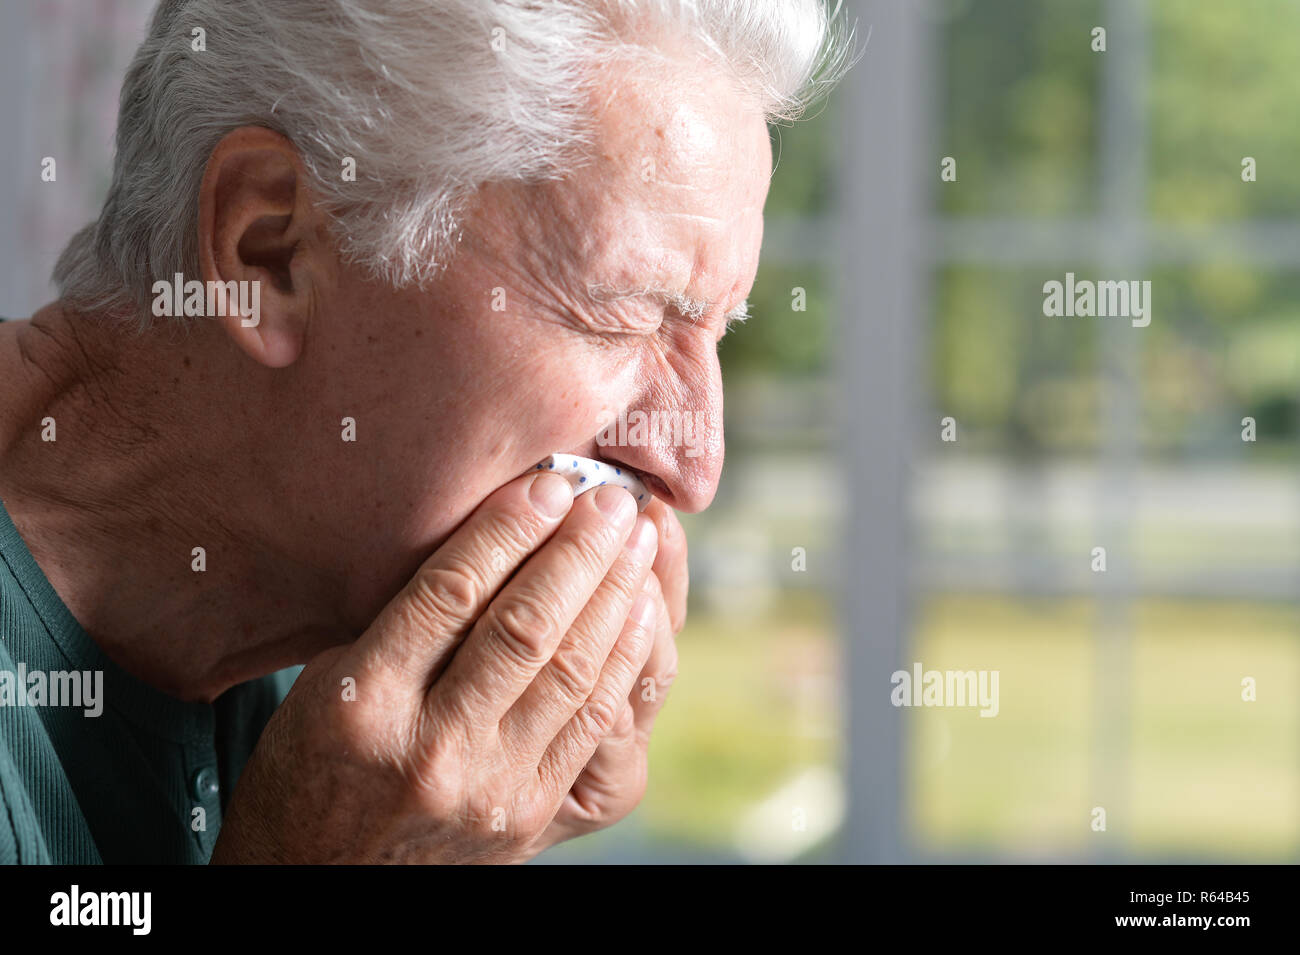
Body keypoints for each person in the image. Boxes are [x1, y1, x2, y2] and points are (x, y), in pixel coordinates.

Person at [0, 0, 856, 863]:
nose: (694, 468)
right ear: (268, 252)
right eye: (622, 315)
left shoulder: (351, 665)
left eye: (715, 331)